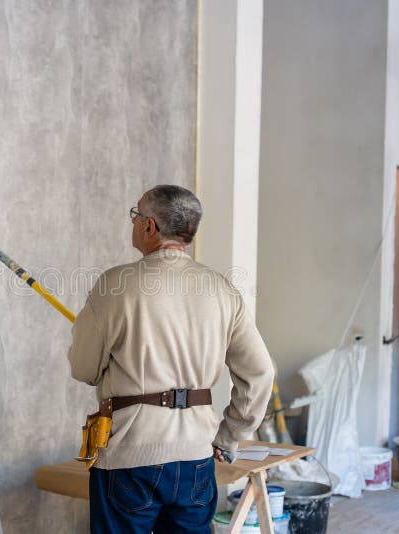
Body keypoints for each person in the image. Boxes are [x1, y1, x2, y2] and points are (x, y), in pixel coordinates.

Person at [67, 184, 275, 533]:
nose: (133, 223)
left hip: (130, 456)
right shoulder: (222, 290)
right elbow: (260, 372)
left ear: (150, 227)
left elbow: (83, 367)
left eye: (136, 216)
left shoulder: (115, 285)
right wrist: (229, 436)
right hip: (196, 457)